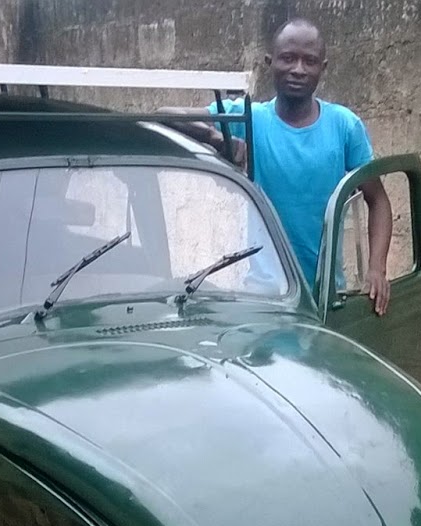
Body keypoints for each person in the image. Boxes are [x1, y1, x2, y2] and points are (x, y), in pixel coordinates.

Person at [164, 19, 393, 313]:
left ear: (323, 68)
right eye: (288, 58)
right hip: (265, 299)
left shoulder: (344, 126)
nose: (298, 69)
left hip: (327, 298)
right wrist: (216, 138)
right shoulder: (247, 118)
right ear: (270, 63)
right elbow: (165, 114)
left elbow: (378, 199)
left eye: (309, 61)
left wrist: (377, 269)